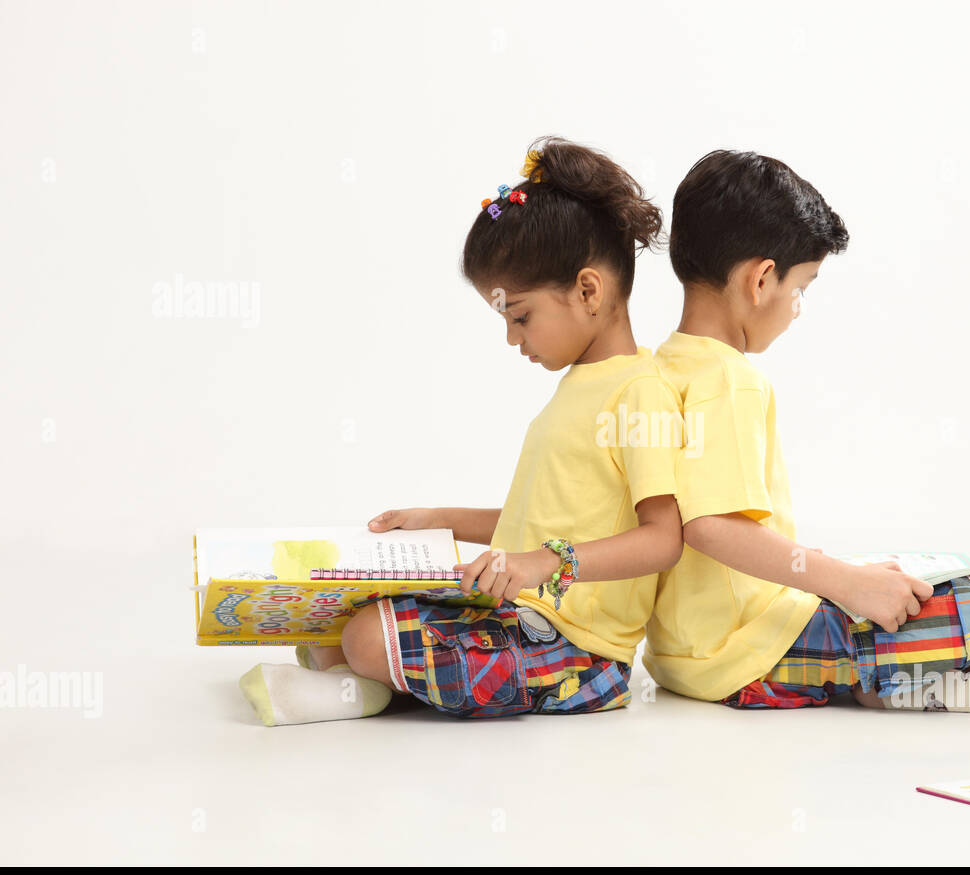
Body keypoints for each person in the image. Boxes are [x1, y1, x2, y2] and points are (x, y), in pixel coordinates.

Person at [239, 137, 683, 726]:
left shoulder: (641, 391)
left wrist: (547, 563)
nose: (513, 339)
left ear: (587, 290)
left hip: (578, 653)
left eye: (520, 317)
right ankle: (361, 677)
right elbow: (541, 523)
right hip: (520, 612)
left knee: (368, 639)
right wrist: (438, 519)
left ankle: (363, 686)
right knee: (342, 626)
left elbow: (664, 539)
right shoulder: (578, 390)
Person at [644, 148, 970, 713]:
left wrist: (841, 572)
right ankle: (865, 676)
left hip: (677, 655)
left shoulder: (661, 367)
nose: (798, 307)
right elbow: (709, 526)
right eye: (803, 287)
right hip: (744, 651)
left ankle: (868, 680)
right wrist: (845, 583)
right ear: (763, 279)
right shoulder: (731, 379)